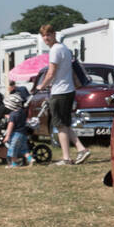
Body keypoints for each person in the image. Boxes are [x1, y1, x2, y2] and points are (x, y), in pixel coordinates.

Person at [30, 25, 90, 165]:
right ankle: (82, 149)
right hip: (68, 90)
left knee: (60, 125)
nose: (46, 38)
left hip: (60, 92)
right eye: (43, 35)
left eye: (48, 35)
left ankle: (66, 158)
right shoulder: (64, 48)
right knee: (66, 124)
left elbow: (51, 73)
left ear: (54, 34)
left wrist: (41, 86)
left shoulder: (55, 50)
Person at [2, 91, 33, 168]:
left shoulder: (12, 115)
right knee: (23, 149)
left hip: (16, 134)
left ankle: (14, 164)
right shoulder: (21, 112)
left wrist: (7, 136)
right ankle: (30, 158)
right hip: (23, 134)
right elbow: (17, 119)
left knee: (12, 149)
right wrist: (10, 117)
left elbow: (11, 125)